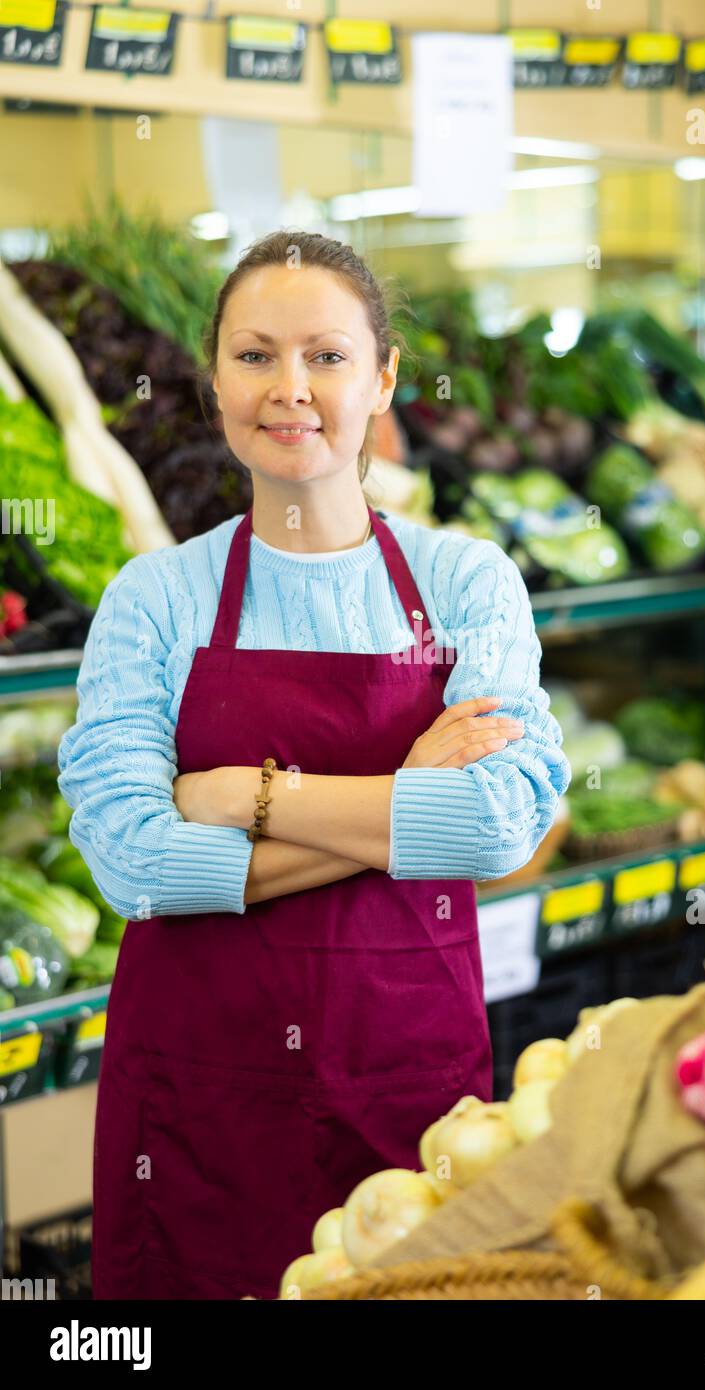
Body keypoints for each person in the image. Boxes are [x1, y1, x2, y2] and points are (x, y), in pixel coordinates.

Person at [56, 229, 571, 1300]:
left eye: (327, 356)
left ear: (382, 377)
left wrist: (251, 799)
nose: (289, 388)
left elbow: (499, 822)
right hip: (196, 1116)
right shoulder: (153, 597)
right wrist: (405, 793)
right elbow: (132, 866)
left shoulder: (465, 579)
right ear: (214, 380)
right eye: (254, 356)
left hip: (408, 1100)